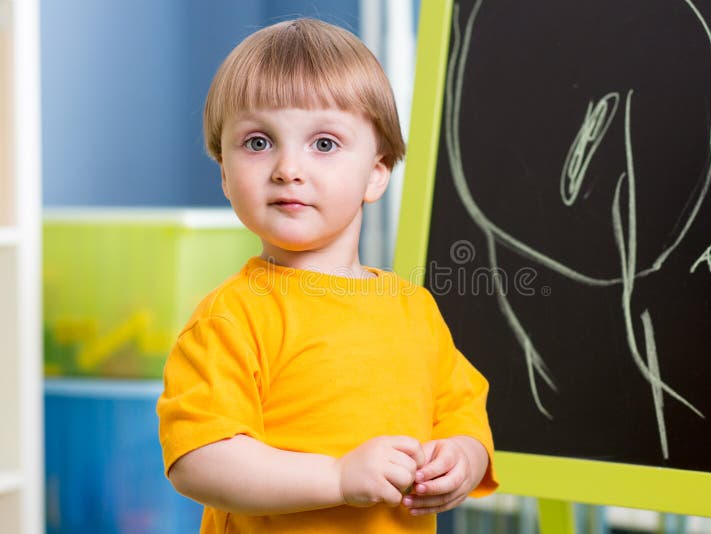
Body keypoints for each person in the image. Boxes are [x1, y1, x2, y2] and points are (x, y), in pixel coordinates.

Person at [156, 18, 498, 533]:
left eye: (323, 143)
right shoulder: (231, 318)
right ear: (225, 173)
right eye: (256, 143)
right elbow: (198, 459)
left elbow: (461, 412)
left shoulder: (414, 311)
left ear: (377, 171)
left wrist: (462, 460)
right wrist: (337, 476)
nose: (288, 168)